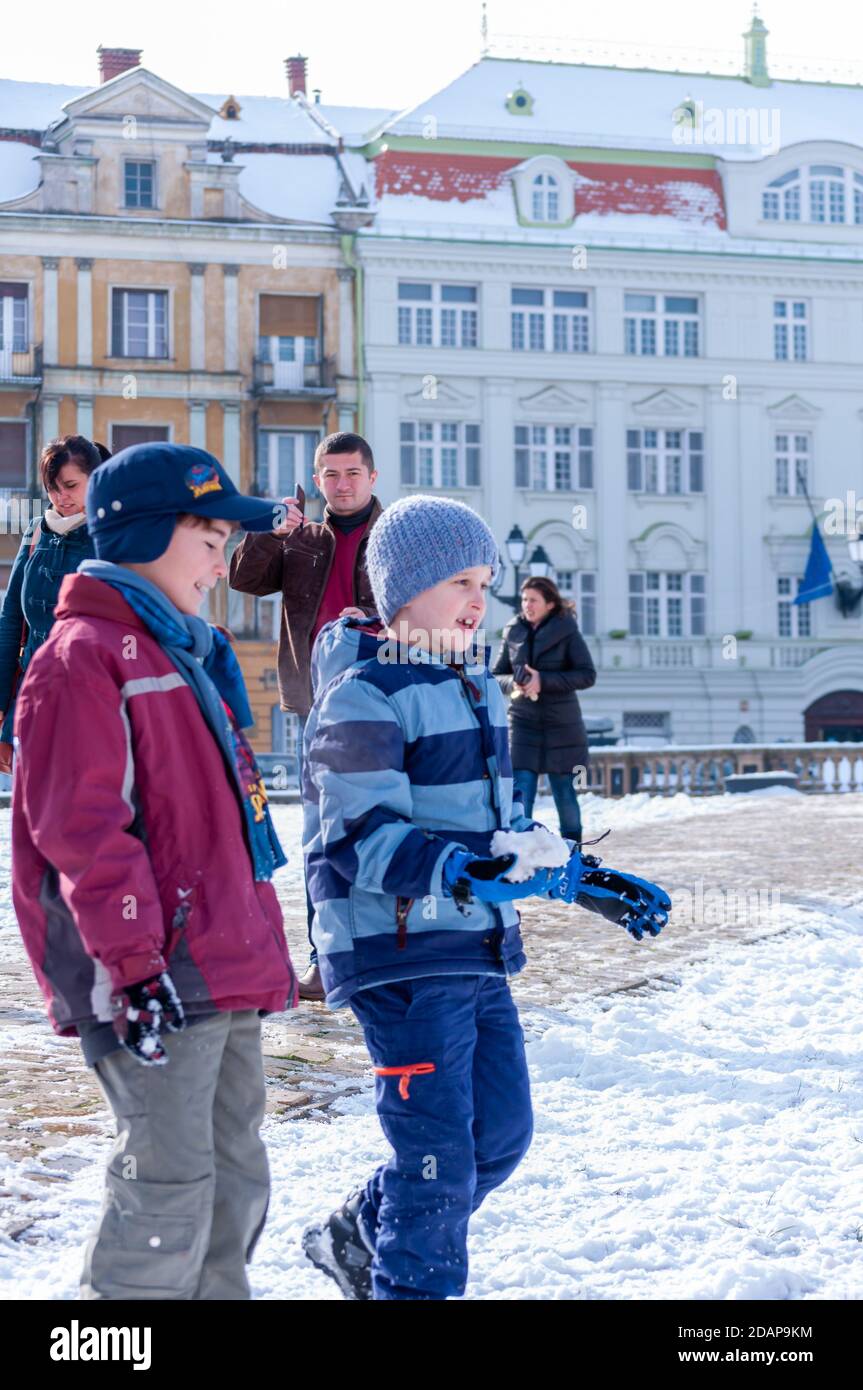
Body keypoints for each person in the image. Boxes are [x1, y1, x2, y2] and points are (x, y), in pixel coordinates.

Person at [299, 496, 670, 1300]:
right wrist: (462, 875)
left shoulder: (470, 691)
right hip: (397, 957)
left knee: (498, 1138)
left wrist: (575, 876)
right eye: (459, 581)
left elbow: (500, 832)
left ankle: (355, 1231)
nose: (478, 600)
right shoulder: (363, 694)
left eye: (484, 583)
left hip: (474, 949)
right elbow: (356, 837)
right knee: (436, 1165)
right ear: (403, 591)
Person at [11, 442, 298, 1300]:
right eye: (210, 541)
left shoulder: (181, 650)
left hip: (220, 962)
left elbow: (222, 822)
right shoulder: (81, 658)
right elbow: (84, 832)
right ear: (143, 537)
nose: (223, 564)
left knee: (235, 1180)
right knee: (164, 1195)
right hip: (150, 974)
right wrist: (135, 969)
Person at [229, 431, 382, 1001]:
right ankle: (328, 960)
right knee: (320, 833)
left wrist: (365, 618)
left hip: (384, 700)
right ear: (317, 481)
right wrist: (271, 532)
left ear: (372, 478)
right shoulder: (300, 538)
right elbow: (244, 579)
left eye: (352, 474)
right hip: (315, 703)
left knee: (381, 828)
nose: (341, 485)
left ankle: (387, 951)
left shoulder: (394, 534)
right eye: (331, 475)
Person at [0, 435, 108, 770]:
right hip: (33, 699)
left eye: (71, 485)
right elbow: (10, 621)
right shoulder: (35, 532)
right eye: (52, 487)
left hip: (93, 704)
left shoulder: (113, 538)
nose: (61, 497)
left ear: (96, 479)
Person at [494, 575, 597, 844]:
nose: (527, 605)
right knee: (521, 791)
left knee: (564, 793)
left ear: (550, 604)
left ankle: (575, 855)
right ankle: (521, 855)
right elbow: (495, 677)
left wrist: (543, 680)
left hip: (562, 725)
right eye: (524, 599)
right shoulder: (513, 629)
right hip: (523, 722)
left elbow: (587, 675)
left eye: (534, 600)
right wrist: (514, 682)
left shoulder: (567, 630)